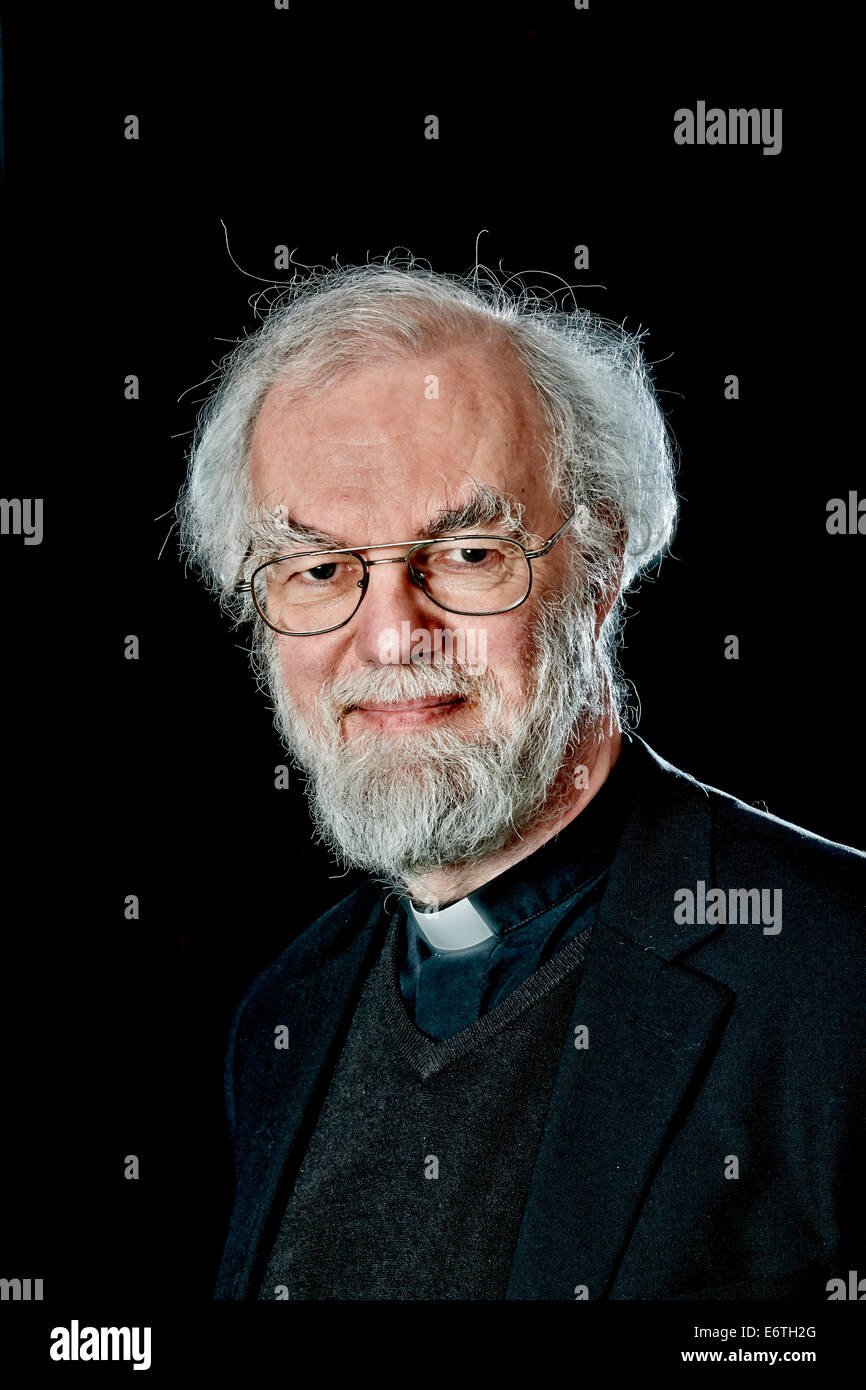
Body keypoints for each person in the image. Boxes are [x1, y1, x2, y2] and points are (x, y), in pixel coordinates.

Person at [177, 262, 865, 1300]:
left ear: (598, 567)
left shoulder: (838, 980)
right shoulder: (283, 1017)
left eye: (464, 551)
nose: (391, 634)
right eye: (316, 568)